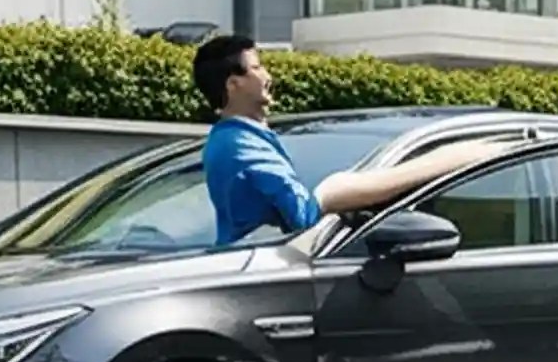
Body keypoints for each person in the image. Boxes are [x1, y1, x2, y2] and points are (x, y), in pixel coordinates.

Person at [192, 34, 511, 246]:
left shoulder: (230, 139)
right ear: (233, 84)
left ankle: (479, 153)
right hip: (266, 272)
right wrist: (337, 189)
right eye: (258, 69)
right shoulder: (241, 146)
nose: (268, 77)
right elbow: (303, 215)